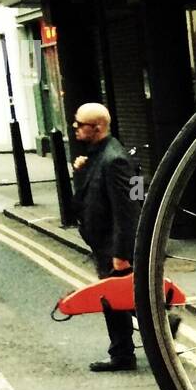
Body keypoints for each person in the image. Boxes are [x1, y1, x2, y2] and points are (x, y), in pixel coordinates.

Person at [71, 103, 141, 372]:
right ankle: (151, 332)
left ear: (97, 128)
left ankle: (123, 353)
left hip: (113, 245)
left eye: (80, 125)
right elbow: (84, 199)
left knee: (112, 299)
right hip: (103, 243)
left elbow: (128, 210)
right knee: (118, 298)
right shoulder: (97, 156)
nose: (75, 129)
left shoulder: (114, 159)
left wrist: (122, 253)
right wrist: (80, 173)